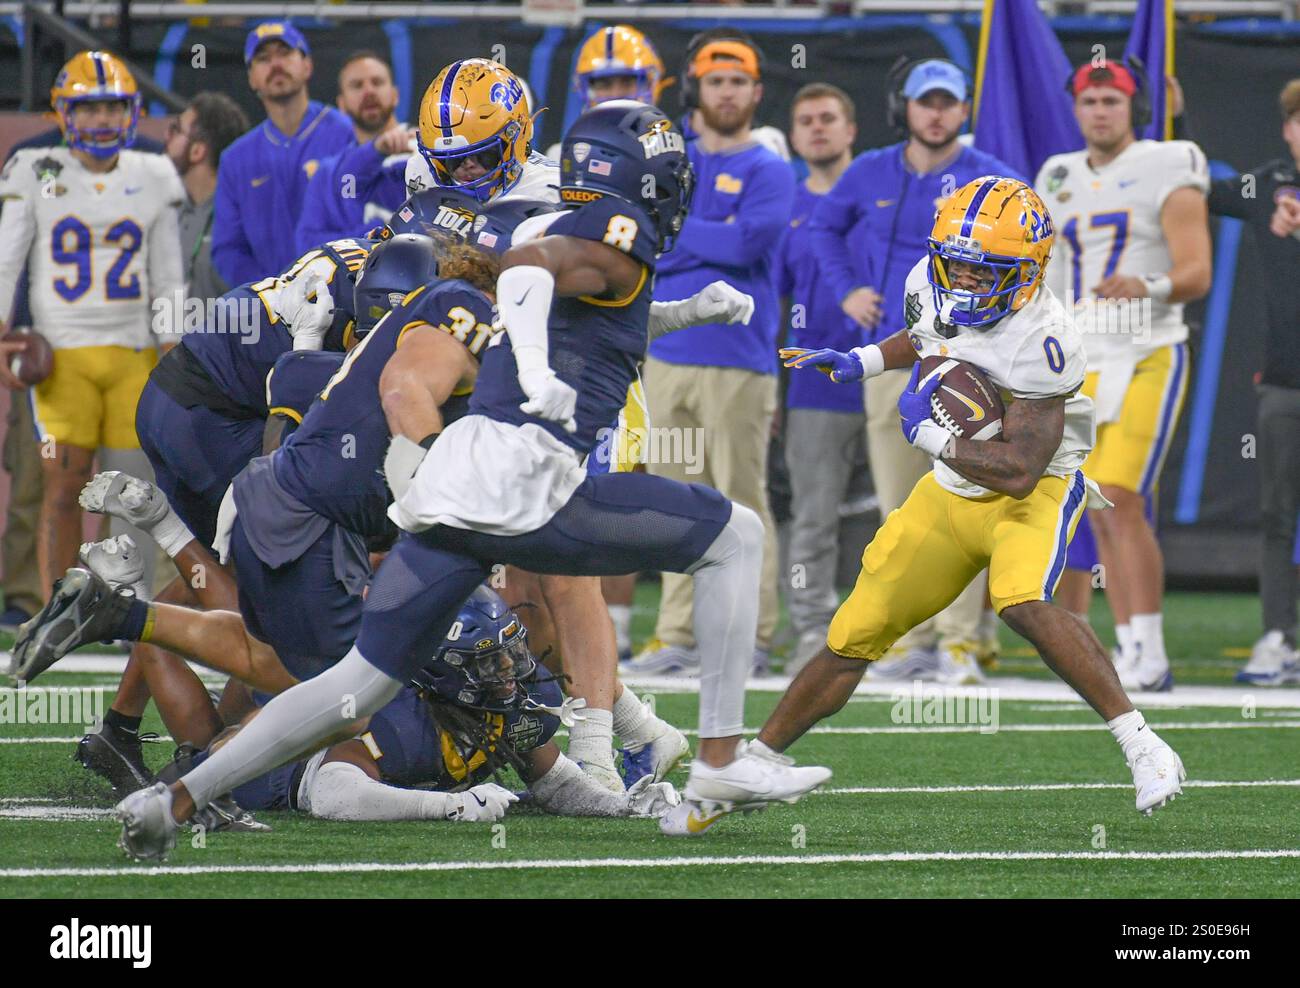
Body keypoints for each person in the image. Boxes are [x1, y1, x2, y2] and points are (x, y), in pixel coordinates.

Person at [113, 101, 830, 862]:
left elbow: (566, 300)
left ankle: (174, 799)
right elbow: (512, 288)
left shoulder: (506, 265)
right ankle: (710, 762)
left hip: (446, 502)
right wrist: (512, 380)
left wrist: (685, 314)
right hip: (510, 493)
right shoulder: (574, 251)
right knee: (735, 534)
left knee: (355, 685)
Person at [668, 176, 1186, 837]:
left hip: (1033, 493)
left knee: (1022, 599)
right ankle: (745, 769)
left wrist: (931, 434)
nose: (966, 280)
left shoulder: (1047, 337)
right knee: (850, 636)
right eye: (958, 263)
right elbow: (926, 335)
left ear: (1029, 270)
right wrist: (861, 361)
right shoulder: (930, 279)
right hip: (947, 494)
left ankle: (1143, 744)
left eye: (986, 269)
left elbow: (1022, 472)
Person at [807, 58, 1024, 685]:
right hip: (899, 352)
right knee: (903, 507)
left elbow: (1038, 248)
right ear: (905, 105)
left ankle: (962, 644)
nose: (936, 113)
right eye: (926, 102)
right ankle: (913, 640)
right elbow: (824, 225)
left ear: (964, 109)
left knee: (968, 500)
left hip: (973, 365)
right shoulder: (870, 169)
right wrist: (847, 289)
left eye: (947, 103)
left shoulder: (994, 178)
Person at [165, 587, 679, 823]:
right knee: (221, 736)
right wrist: (448, 806)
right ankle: (134, 618)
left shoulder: (516, 700)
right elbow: (331, 791)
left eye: (510, 653)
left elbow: (556, 783)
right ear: (437, 672)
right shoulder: (400, 713)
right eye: (486, 665)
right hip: (259, 782)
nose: (508, 675)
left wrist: (627, 808)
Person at [1037, 60, 1212, 693]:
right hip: (1084, 356)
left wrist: (1149, 284)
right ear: (1076, 108)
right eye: (1091, 100)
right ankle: (1130, 645)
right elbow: (1049, 282)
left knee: (1123, 495)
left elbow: (1197, 272)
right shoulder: (1056, 173)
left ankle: (1150, 651)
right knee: (1096, 502)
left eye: (1113, 99)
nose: (1101, 111)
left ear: (1132, 107)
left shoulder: (1170, 160)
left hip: (1147, 348)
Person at [631, 34, 793, 676]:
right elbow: (647, 236)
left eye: (738, 81)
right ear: (694, 87)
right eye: (715, 80)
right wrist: (705, 238)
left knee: (742, 497)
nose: (726, 92)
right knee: (674, 498)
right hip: (667, 349)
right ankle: (676, 635)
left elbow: (749, 243)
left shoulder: (771, 168)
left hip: (740, 356)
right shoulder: (671, 157)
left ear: (756, 91)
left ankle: (751, 637)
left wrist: (678, 231)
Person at [0, 50, 183, 600]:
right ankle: (61, 603)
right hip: (62, 356)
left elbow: (169, 276)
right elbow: (7, 259)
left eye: (112, 107)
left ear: (131, 111)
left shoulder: (153, 171)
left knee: (135, 493)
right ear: (63, 112)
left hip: (134, 354)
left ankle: (130, 607)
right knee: (62, 486)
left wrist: (174, 351)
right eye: (89, 108)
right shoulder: (35, 167)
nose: (102, 119)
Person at [1207, 79, 1300, 685]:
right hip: (1286, 382)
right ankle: (1279, 636)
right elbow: (1196, 188)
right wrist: (1176, 119)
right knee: (1277, 513)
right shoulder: (1265, 184)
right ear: (1288, 128)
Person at [777, 82, 867, 678]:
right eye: (806, 119)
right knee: (813, 516)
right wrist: (773, 386)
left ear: (851, 129)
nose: (817, 128)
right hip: (815, 385)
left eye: (828, 118)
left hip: (898, 376)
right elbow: (773, 302)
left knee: (914, 514)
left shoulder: (885, 192)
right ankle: (812, 628)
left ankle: (914, 637)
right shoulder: (785, 206)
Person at [211, 22, 354, 286]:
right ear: (251, 78)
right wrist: (273, 293)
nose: (275, 64)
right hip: (272, 312)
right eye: (263, 58)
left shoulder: (348, 135)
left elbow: (364, 221)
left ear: (307, 65)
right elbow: (227, 248)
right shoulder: (235, 159)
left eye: (285, 53)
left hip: (343, 299)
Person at [294, 51, 413, 253]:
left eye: (377, 82)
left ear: (395, 95)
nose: (368, 91)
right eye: (357, 85)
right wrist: (372, 233)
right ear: (341, 104)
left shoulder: (424, 154)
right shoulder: (327, 173)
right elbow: (306, 244)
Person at [165, 92, 250, 305]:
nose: (167, 137)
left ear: (197, 151)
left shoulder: (241, 221)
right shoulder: (168, 210)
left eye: (176, 130)